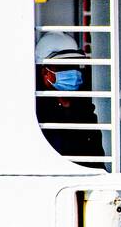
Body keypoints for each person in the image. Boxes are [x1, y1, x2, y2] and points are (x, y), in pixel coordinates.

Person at [34, 32, 106, 163]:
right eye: (64, 66)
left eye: (74, 65)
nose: (73, 72)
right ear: (45, 72)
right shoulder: (38, 113)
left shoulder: (85, 112)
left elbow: (98, 163)